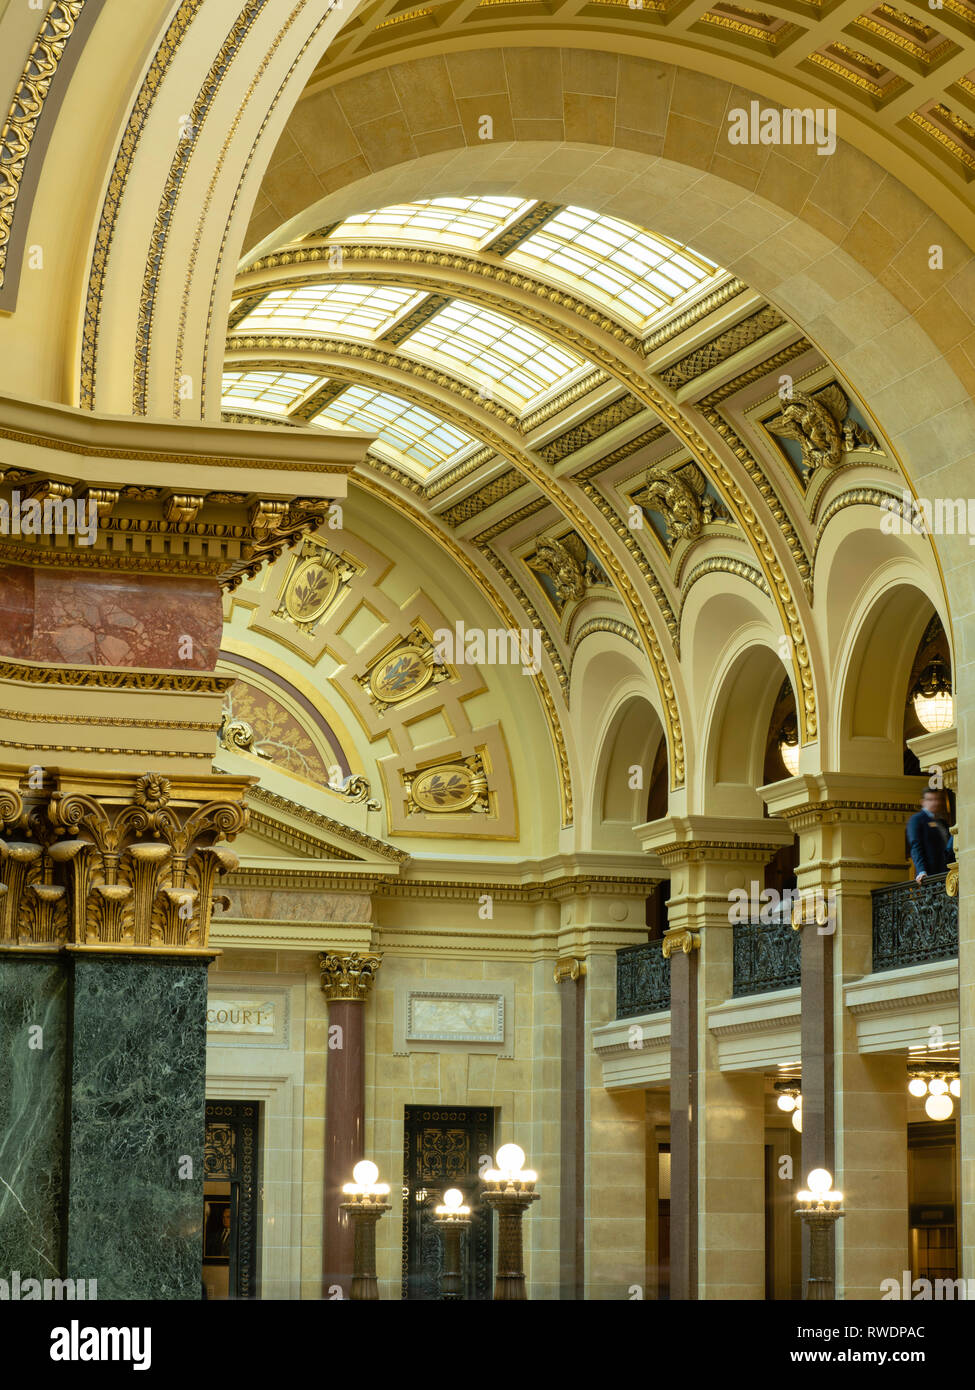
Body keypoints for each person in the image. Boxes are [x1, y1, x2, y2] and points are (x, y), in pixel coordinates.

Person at [907, 788, 954, 883]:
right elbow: (916, 846)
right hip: (930, 875)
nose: (935, 803)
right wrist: (921, 871)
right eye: (931, 799)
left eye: (937, 799)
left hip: (947, 873)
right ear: (923, 802)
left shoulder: (943, 822)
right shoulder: (917, 819)